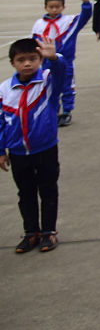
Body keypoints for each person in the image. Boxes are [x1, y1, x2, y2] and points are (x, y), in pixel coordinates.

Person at [0, 36, 66, 252]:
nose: (27, 64)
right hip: (18, 152)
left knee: (48, 190)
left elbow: (61, 71)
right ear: (12, 63)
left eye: (32, 58)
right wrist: (1, 150)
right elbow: (1, 122)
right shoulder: (5, 89)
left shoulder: (47, 81)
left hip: (45, 148)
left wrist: (54, 58)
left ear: (40, 60)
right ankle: (31, 232)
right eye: (21, 60)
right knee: (25, 193)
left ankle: (49, 231)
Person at [32, 0, 92, 127]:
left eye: (57, 7)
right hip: (46, 62)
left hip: (65, 62)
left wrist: (86, 4)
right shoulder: (39, 24)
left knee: (67, 86)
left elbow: (85, 16)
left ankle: (66, 111)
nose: (54, 10)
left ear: (63, 7)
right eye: (51, 7)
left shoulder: (69, 21)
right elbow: (34, 42)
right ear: (45, 7)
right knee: (48, 86)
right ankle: (52, 111)